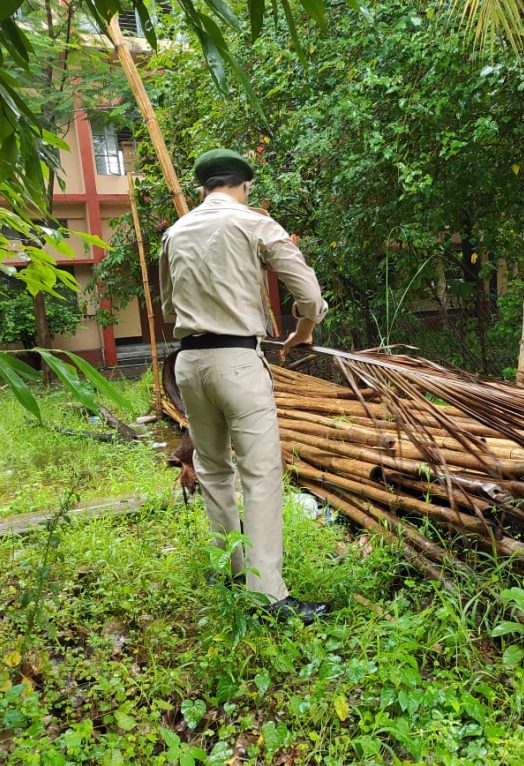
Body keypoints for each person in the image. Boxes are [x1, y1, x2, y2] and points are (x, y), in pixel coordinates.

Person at [159, 148, 329, 625]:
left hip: (188, 363)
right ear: (245, 185)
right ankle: (269, 595)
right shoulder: (256, 224)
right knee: (260, 476)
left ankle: (230, 570)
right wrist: (304, 329)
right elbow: (310, 297)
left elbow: (169, 307)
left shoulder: (173, 233)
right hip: (237, 360)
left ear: (202, 188)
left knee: (212, 469)